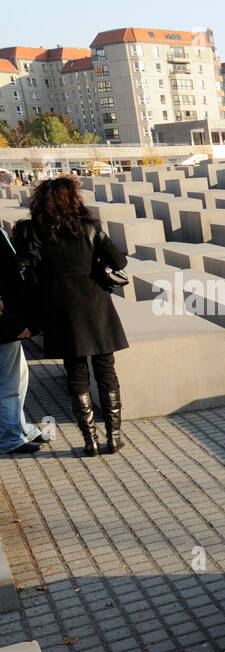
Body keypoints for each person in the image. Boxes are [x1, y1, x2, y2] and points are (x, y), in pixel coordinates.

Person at [13, 176, 130, 457]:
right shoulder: (90, 228)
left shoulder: (35, 231)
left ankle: (89, 440)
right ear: (73, 199)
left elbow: (27, 273)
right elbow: (120, 262)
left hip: (61, 310)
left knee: (76, 375)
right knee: (106, 371)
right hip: (96, 307)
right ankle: (113, 437)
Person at [0, 225, 47, 454]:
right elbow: (7, 278)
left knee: (17, 377)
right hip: (3, 323)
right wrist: (13, 323)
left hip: (7, 319)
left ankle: (19, 428)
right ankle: (11, 437)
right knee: (11, 382)